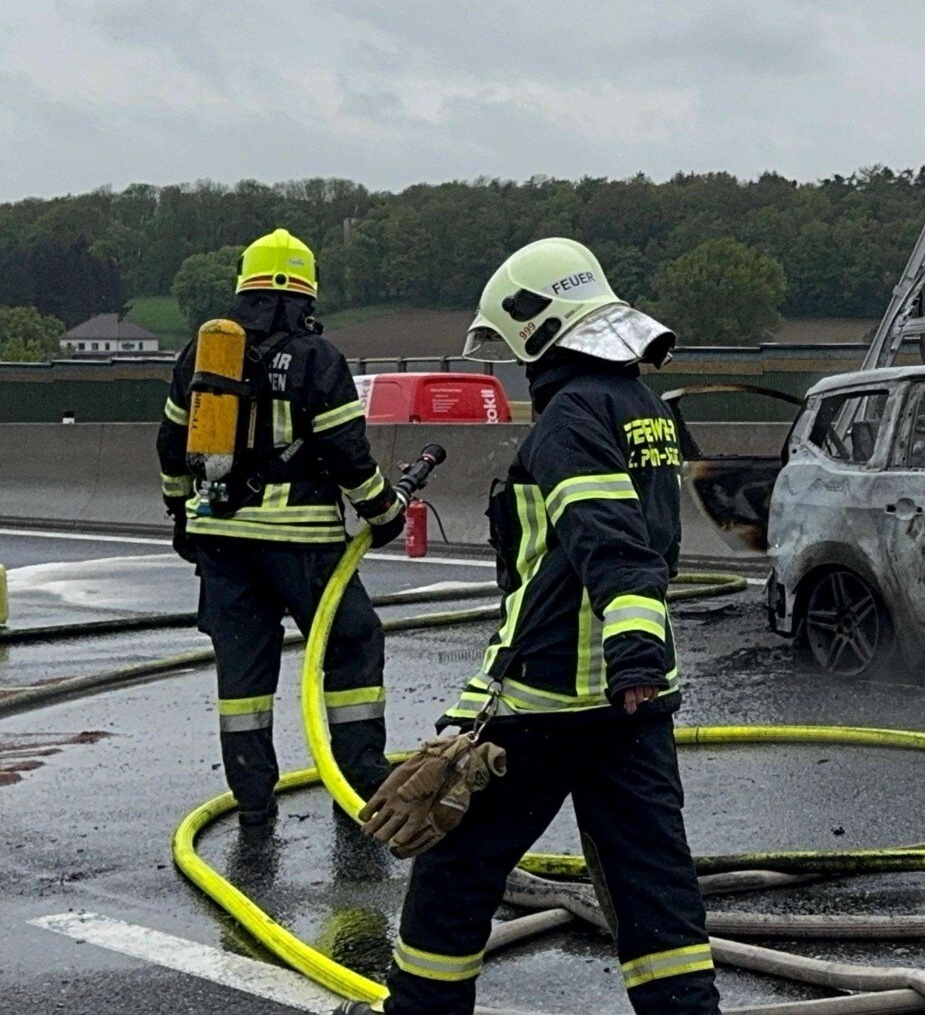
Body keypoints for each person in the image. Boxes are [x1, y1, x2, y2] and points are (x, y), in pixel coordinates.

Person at [380, 238, 718, 1015]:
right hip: (636, 711)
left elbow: (614, 544)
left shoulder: (569, 418)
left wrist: (629, 653)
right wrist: (640, 673)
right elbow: (641, 545)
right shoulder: (643, 407)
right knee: (656, 897)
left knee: (451, 880)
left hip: (541, 704)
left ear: (537, 327)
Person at [155, 228, 403, 827]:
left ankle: (253, 803)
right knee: (352, 642)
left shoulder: (202, 353)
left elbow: (171, 446)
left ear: (245, 285)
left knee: (242, 672)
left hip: (220, 537)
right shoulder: (318, 359)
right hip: (304, 544)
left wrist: (183, 518)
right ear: (305, 293)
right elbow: (348, 453)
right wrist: (383, 512)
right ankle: (360, 786)